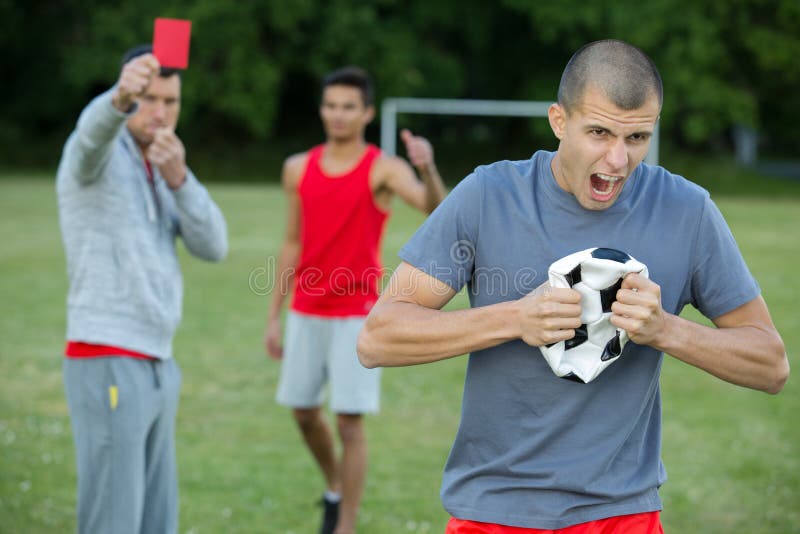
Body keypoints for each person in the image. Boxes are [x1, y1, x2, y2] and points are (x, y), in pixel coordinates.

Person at [357, 39, 789, 533]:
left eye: (637, 138)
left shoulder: (686, 210)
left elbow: (771, 364)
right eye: (599, 132)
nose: (618, 159)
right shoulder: (487, 196)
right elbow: (379, 338)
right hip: (493, 510)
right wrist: (515, 318)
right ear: (559, 121)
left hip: (622, 513)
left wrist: (665, 329)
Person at [264, 66, 446, 534]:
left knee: (349, 424)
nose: (338, 115)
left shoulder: (383, 168)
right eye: (330, 105)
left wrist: (426, 167)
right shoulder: (297, 168)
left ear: (366, 112)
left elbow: (434, 208)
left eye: (349, 106)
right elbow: (291, 241)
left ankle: (343, 525)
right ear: (322, 109)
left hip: (356, 315)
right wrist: (273, 315)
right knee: (303, 412)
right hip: (306, 310)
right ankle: (334, 484)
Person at [56, 44, 227, 534]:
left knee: (156, 520)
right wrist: (116, 99)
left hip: (158, 360)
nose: (160, 112)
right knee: (114, 520)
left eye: (171, 101)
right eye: (148, 98)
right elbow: (88, 139)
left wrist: (181, 180)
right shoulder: (97, 157)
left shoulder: (160, 164)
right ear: (129, 93)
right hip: (106, 353)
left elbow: (214, 245)